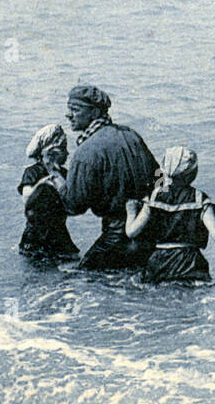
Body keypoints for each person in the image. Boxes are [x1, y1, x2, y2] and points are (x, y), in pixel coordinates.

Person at [60, 85, 159, 270]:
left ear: (94, 112)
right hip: (149, 231)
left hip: (116, 236)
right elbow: (159, 177)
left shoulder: (86, 152)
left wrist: (55, 174)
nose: (68, 115)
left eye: (74, 109)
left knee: (82, 279)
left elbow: (73, 205)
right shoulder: (132, 135)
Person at [125, 146, 215, 284]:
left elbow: (131, 232)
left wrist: (131, 211)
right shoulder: (200, 199)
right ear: (192, 173)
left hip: (160, 263)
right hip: (190, 264)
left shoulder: (154, 198)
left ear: (166, 171)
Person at [16, 123, 80, 260]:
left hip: (59, 232)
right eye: (63, 149)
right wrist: (42, 184)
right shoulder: (33, 172)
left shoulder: (63, 174)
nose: (68, 153)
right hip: (36, 235)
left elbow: (72, 202)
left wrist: (56, 174)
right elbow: (27, 200)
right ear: (52, 151)